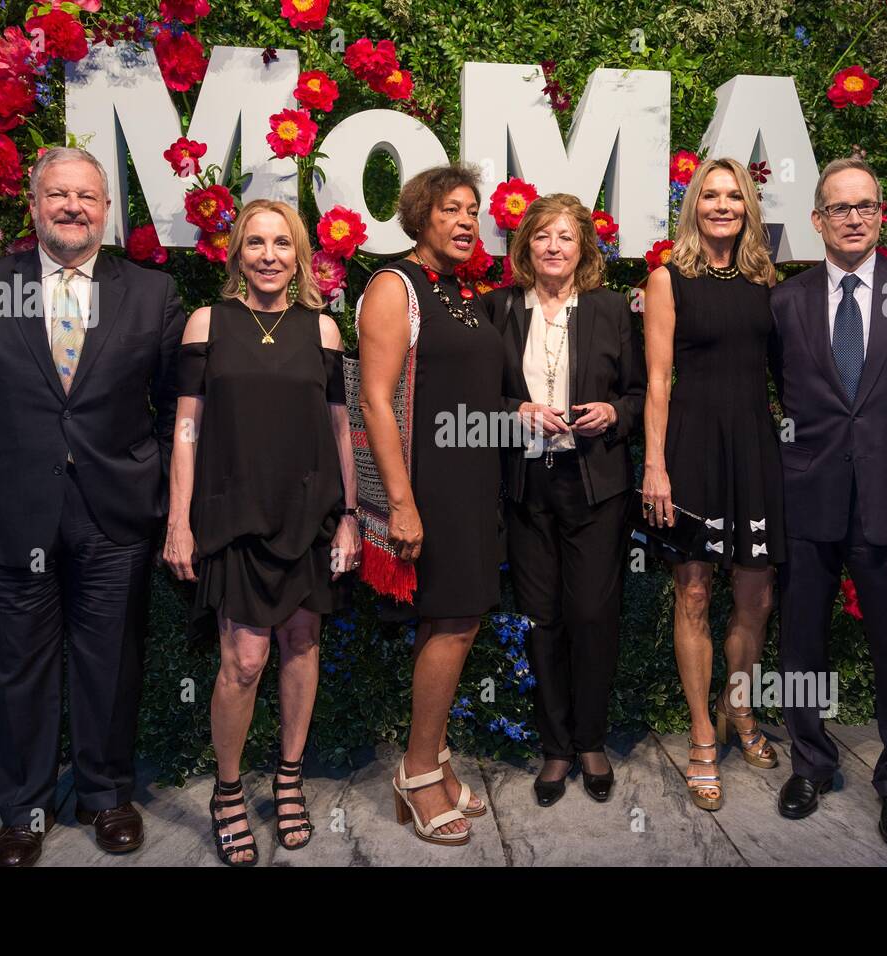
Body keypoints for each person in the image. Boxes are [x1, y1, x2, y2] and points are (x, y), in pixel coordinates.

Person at [0, 146, 184, 866]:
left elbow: (175, 411)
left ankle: (106, 797)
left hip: (115, 515)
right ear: (32, 206)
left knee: (111, 664)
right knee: (18, 669)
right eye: (58, 195)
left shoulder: (152, 295)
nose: (73, 207)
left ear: (107, 211)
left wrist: (157, 494)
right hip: (9, 515)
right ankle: (25, 811)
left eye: (87, 197)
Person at [768, 157, 887, 849]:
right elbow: (783, 387)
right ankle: (810, 763)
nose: (854, 218)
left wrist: (886, 446)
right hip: (808, 491)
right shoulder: (784, 303)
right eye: (839, 208)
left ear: (882, 215)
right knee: (801, 642)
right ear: (817, 221)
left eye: (866, 206)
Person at [162, 199, 360, 864]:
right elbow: (186, 429)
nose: (269, 255)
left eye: (281, 243)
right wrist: (179, 521)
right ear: (237, 253)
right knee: (243, 663)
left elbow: (340, 431)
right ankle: (226, 792)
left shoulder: (324, 331)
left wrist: (352, 518)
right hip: (234, 515)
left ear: (300, 253)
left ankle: (289, 778)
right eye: (256, 243)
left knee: (302, 643)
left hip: (308, 515)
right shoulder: (207, 323)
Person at [357, 164, 503, 846]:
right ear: (421, 217)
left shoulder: (458, 292)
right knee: (450, 624)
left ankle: (436, 761)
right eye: (451, 209)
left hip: (472, 483)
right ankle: (416, 775)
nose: (467, 220)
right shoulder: (396, 286)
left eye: (473, 209)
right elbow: (374, 399)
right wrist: (401, 503)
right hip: (428, 487)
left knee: (459, 623)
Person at [483, 193, 645, 807]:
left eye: (566, 237)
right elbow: (474, 401)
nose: (553, 246)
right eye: (542, 236)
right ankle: (555, 748)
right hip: (527, 488)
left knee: (593, 616)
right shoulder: (497, 309)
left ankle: (591, 740)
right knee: (542, 618)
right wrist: (514, 412)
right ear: (525, 246)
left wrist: (615, 412)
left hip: (596, 486)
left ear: (584, 249)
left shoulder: (609, 309)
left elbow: (639, 394)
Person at [642, 157, 784, 812]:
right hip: (692, 452)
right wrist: (655, 466)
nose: (721, 205)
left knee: (754, 596)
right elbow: (657, 381)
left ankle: (740, 709)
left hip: (754, 452)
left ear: (747, 208)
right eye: (710, 195)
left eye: (733, 196)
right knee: (694, 591)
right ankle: (703, 734)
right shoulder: (667, 280)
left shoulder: (767, 282)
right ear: (694, 206)